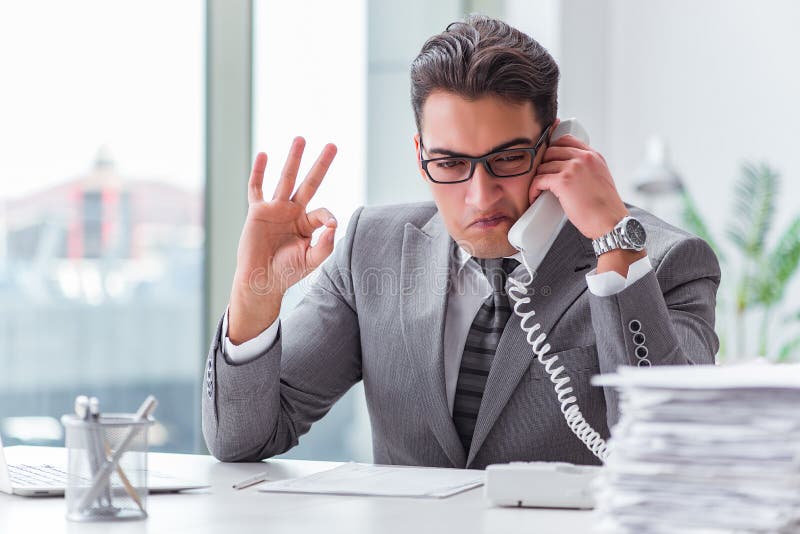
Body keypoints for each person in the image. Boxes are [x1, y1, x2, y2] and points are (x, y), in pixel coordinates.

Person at [202, 15, 720, 469]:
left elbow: (673, 452)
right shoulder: (370, 250)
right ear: (420, 155)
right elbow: (240, 440)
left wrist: (614, 244)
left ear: (560, 146)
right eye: (450, 163)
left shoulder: (666, 261)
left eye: (509, 158)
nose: (480, 195)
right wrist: (256, 291)